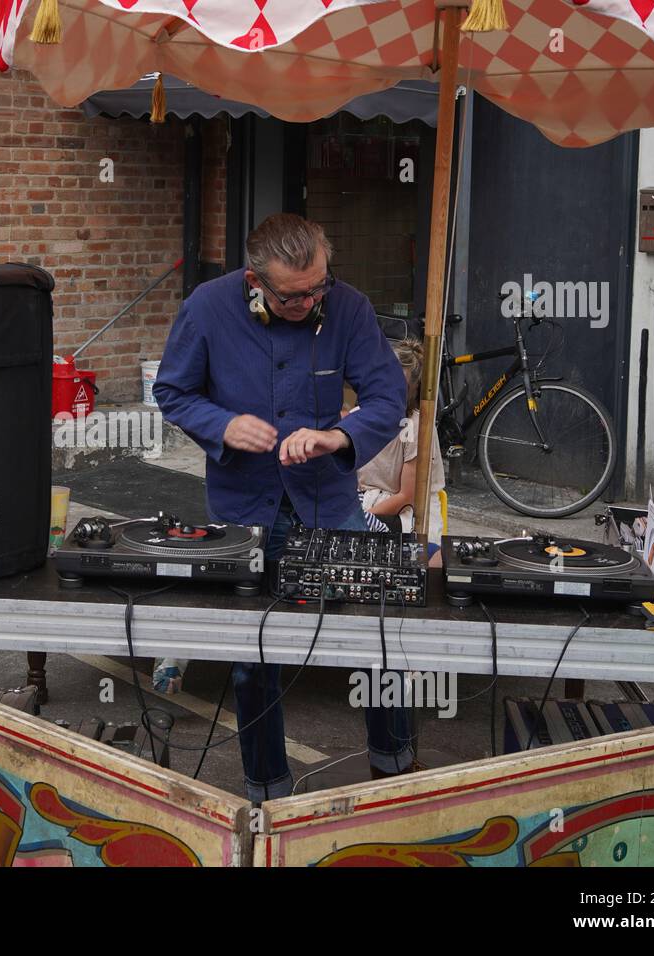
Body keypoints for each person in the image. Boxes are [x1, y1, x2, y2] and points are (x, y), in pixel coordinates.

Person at [152, 213, 416, 801]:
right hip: (245, 507)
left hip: (329, 499)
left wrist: (338, 439)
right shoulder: (206, 307)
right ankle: (268, 792)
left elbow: (386, 394)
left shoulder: (348, 307)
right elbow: (172, 390)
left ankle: (395, 773)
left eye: (320, 287)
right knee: (254, 657)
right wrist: (221, 425)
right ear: (255, 282)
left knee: (382, 637)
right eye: (295, 297)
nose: (312, 302)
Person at [349, 338, 446, 565]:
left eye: (398, 384)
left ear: (412, 390)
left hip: (403, 510)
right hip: (365, 502)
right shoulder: (358, 415)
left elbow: (406, 496)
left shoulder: (415, 426)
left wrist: (363, 520)